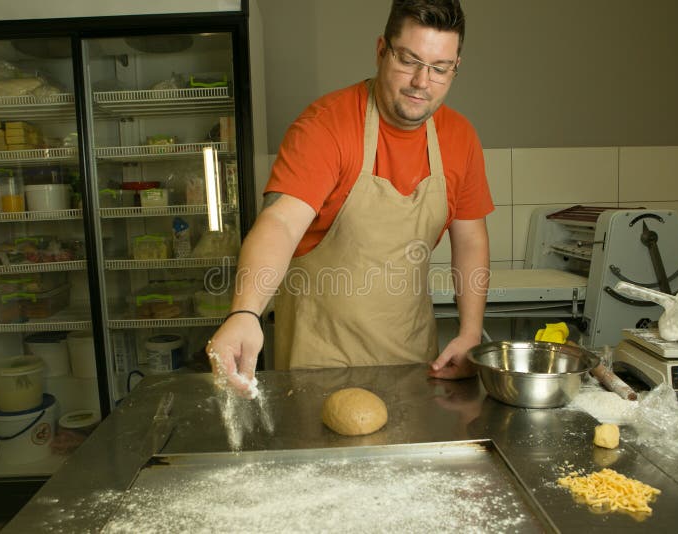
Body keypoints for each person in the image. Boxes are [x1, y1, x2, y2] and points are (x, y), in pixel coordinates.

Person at [207, 0, 493, 396]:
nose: (421, 82)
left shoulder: (460, 138)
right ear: (381, 50)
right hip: (317, 365)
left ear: (455, 67)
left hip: (411, 363)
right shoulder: (326, 126)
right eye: (409, 61)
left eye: (440, 68)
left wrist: (470, 332)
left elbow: (471, 238)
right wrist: (245, 312)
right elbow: (281, 222)